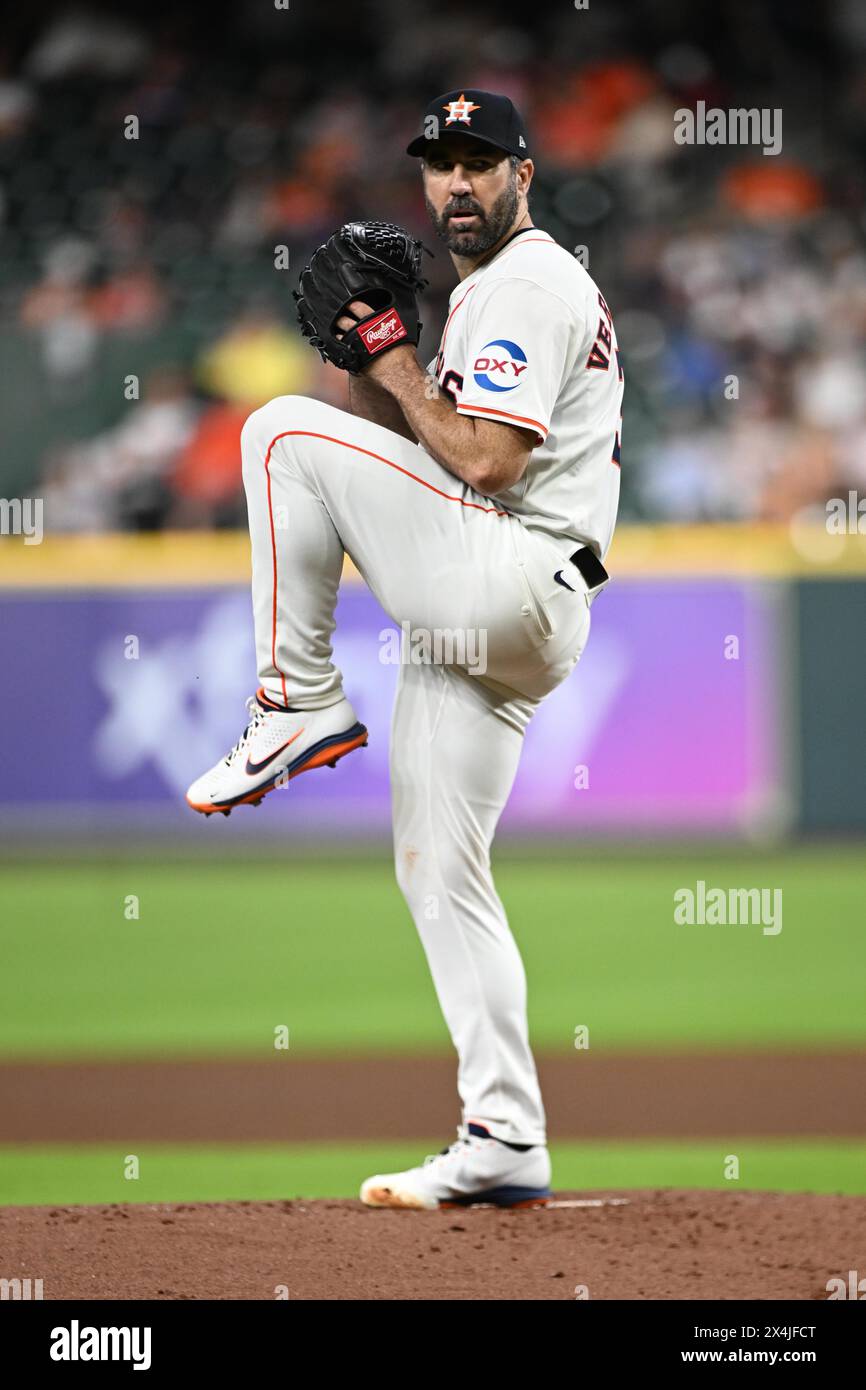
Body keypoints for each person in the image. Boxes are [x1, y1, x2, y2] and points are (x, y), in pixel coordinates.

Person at [186, 90, 624, 1210]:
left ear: (524, 174)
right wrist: (369, 357)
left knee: (273, 430)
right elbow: (414, 458)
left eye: (480, 162)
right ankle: (503, 1134)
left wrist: (382, 362)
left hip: (510, 573)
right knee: (440, 873)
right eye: (439, 164)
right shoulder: (485, 293)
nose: (455, 184)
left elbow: (481, 467)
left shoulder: (526, 281)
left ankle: (294, 700)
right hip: (497, 611)